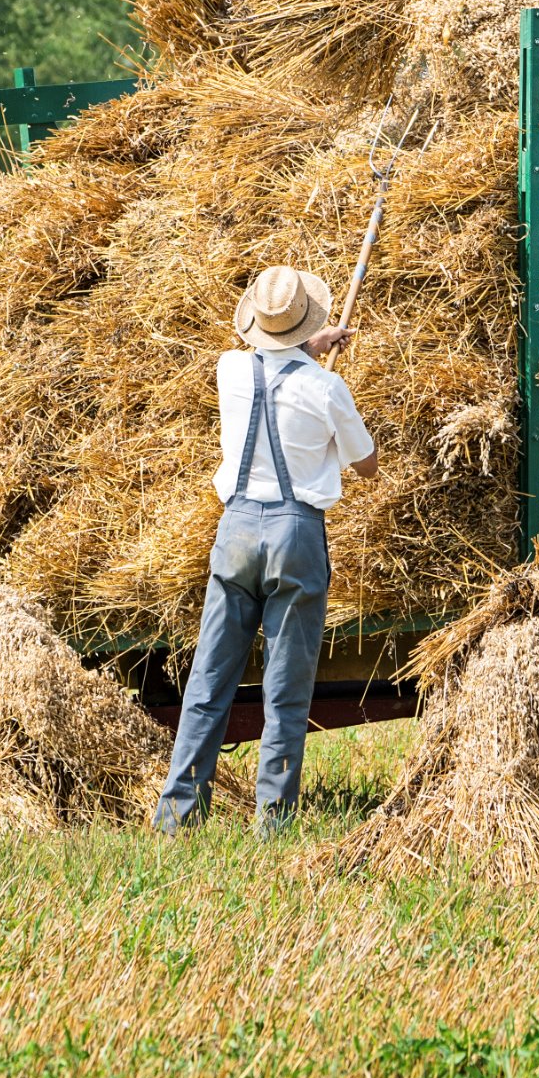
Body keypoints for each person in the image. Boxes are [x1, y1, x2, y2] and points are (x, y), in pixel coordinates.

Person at [154, 265, 378, 839]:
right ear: (308, 323)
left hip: (234, 532)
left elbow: (272, 373)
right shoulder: (327, 388)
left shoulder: (229, 369)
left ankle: (177, 816)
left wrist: (308, 350)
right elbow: (368, 466)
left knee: (208, 679)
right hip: (296, 534)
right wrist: (323, 388)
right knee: (286, 687)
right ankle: (272, 824)